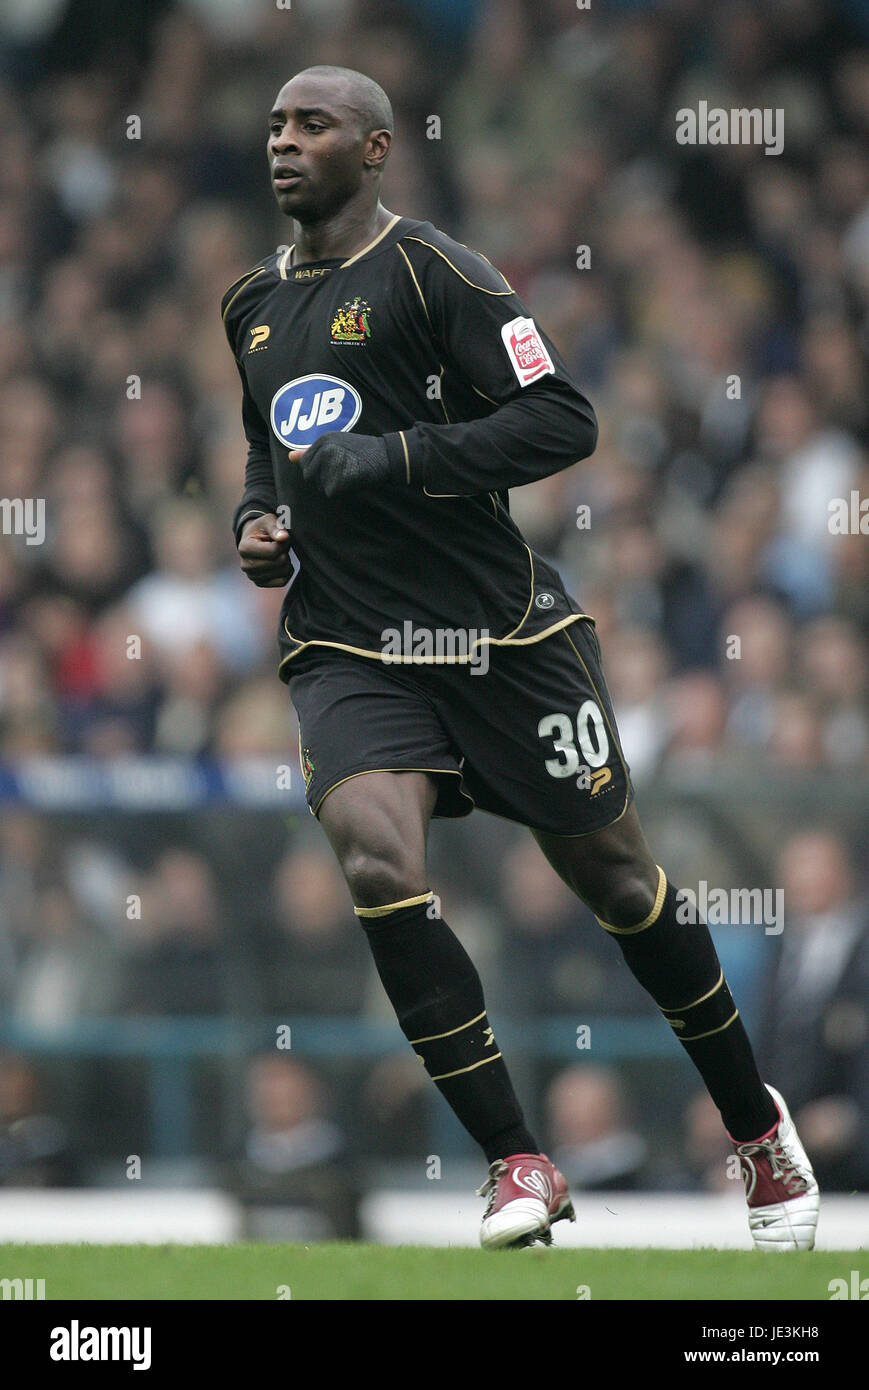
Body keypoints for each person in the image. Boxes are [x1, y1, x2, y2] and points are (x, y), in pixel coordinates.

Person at [222, 64, 818, 1250]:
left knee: (620, 886)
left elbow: (563, 420)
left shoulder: (439, 272)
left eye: (313, 125)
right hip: (349, 644)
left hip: (505, 639)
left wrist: (394, 460)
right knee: (377, 866)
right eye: (277, 124)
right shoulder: (247, 300)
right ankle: (516, 1161)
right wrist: (254, 519)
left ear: (377, 148)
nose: (283, 142)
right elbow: (263, 441)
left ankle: (753, 1131)